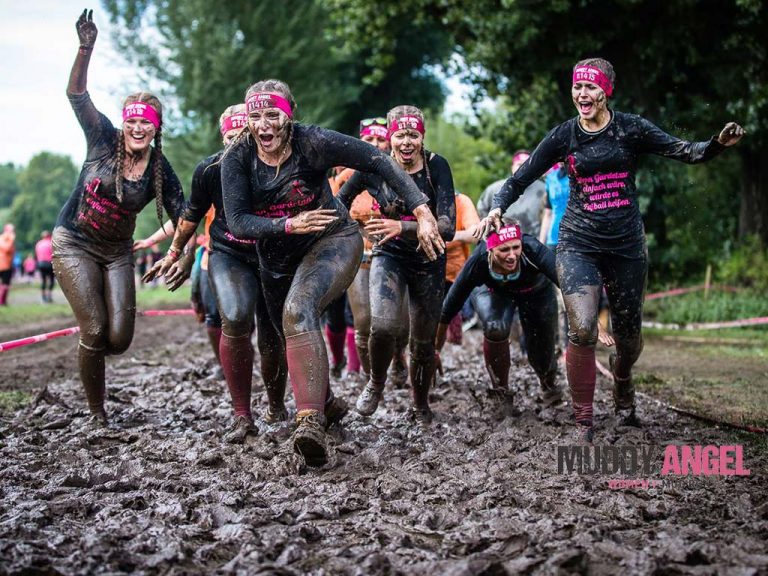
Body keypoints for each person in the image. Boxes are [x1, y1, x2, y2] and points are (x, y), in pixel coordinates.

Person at [476, 57, 745, 443]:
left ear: (606, 91)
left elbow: (685, 150)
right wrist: (499, 206)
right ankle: (583, 422)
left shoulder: (631, 128)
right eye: (577, 87)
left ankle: (622, 383)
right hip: (578, 242)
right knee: (583, 327)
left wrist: (718, 143)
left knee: (629, 338)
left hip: (625, 246)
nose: (582, 95)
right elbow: (521, 178)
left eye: (590, 87)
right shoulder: (564, 135)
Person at [221, 82, 444, 465]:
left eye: (272, 115)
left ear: (289, 115)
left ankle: (310, 422)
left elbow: (376, 159)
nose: (263, 125)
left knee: (298, 309)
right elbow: (239, 222)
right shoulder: (237, 159)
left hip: (333, 240)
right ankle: (327, 403)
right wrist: (290, 224)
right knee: (286, 327)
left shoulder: (314, 142)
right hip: (276, 254)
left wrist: (421, 210)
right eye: (255, 116)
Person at [52, 10, 185, 426]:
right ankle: (97, 414)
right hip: (73, 242)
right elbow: (76, 95)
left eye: (146, 122)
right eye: (132, 120)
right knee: (93, 330)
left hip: (117, 251)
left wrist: (178, 253)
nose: (137, 127)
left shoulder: (160, 170)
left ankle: (91, 353)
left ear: (156, 128)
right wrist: (85, 48)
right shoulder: (102, 138)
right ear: (124, 122)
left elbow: (188, 214)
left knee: (119, 338)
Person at [146, 104, 297, 443]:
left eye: (242, 136)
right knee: (235, 317)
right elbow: (190, 215)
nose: (236, 144)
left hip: (272, 253)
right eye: (230, 137)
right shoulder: (210, 169)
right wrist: (177, 255)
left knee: (273, 332)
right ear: (222, 137)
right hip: (229, 253)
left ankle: (276, 406)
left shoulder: (277, 165)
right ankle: (242, 415)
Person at [339, 106, 456, 423]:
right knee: (384, 326)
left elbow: (447, 227)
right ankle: (376, 383)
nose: (406, 143)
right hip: (388, 256)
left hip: (428, 258)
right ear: (390, 137)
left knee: (422, 341)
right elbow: (340, 204)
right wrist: (344, 231)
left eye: (413, 135)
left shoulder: (436, 167)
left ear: (422, 136)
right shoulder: (373, 168)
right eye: (400, 135)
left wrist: (401, 227)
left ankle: (420, 405)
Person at [437, 222, 562, 405]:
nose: (512, 256)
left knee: (541, 346)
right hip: (494, 292)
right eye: (504, 250)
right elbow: (448, 309)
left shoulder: (532, 249)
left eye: (515, 247)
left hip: (536, 291)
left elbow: (567, 284)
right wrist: (434, 352)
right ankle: (501, 391)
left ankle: (548, 382)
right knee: (496, 327)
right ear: (490, 250)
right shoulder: (478, 261)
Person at [330, 117, 409, 387]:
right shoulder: (345, 178)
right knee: (363, 323)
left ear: (388, 143)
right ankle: (371, 378)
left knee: (396, 324)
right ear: (359, 143)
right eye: (369, 140)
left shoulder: (399, 171)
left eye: (380, 140)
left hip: (396, 253)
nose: (374, 145)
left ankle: (399, 357)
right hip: (359, 254)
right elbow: (330, 209)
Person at [476, 150, 546, 239]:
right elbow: (481, 211)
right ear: (512, 167)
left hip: (536, 242)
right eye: (519, 165)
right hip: (502, 242)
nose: (523, 168)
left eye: (527, 165)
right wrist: (489, 235)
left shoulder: (544, 189)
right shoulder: (495, 188)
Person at [443, 191, 480, 345]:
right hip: (421, 270)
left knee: (453, 317)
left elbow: (475, 234)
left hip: (455, 270)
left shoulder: (461, 201)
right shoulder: (415, 198)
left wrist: (447, 236)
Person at [35, 230, 55, 302]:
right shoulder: (51, 243)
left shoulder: (38, 244)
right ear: (49, 235)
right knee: (51, 280)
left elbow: (37, 254)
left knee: (43, 281)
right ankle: (49, 296)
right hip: (49, 264)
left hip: (41, 264)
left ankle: (43, 297)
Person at [0, 224, 15, 306]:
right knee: (5, 283)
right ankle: (1, 301)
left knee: (6, 283)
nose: (12, 233)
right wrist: (12, 240)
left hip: (8, 264)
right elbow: (7, 249)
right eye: (11, 230)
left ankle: (3, 301)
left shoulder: (8, 239)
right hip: (3, 265)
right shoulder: (2, 239)